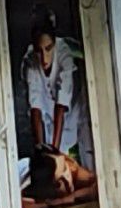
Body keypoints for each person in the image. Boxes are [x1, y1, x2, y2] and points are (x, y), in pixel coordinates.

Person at [19, 17, 87, 164]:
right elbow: (35, 107)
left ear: (55, 43)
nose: (44, 58)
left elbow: (61, 105)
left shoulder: (64, 53)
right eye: (39, 51)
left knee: (74, 149)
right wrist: (42, 151)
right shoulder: (29, 61)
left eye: (48, 49)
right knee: (47, 152)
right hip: (48, 114)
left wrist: (54, 153)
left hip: (72, 108)